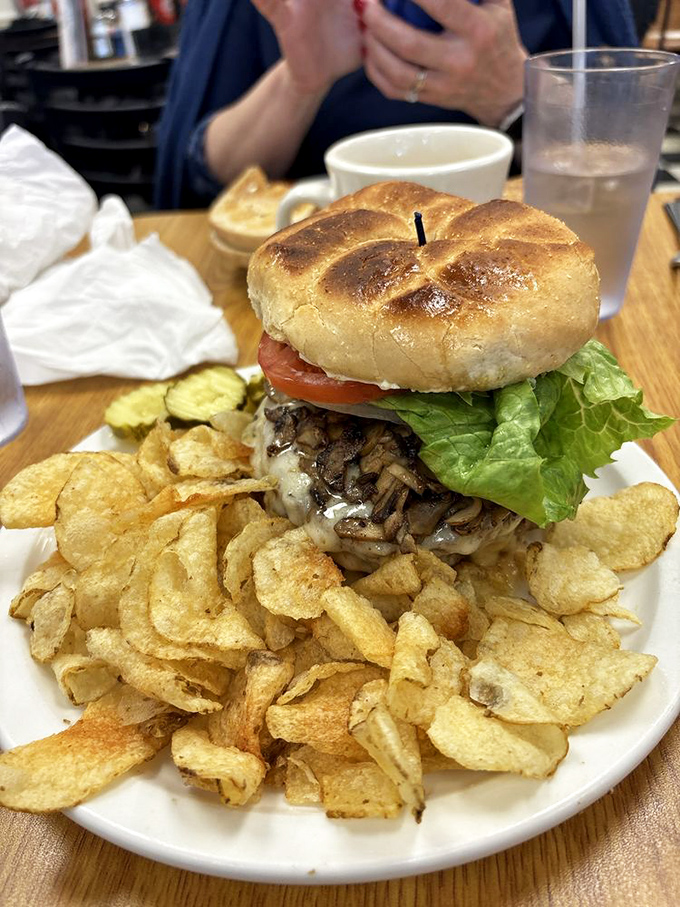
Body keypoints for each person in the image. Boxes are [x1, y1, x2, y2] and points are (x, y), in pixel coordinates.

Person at [154, 0, 639, 209]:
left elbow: (626, 156)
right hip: (317, 260)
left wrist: (517, 93)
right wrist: (299, 82)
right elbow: (206, 178)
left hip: (524, 250)